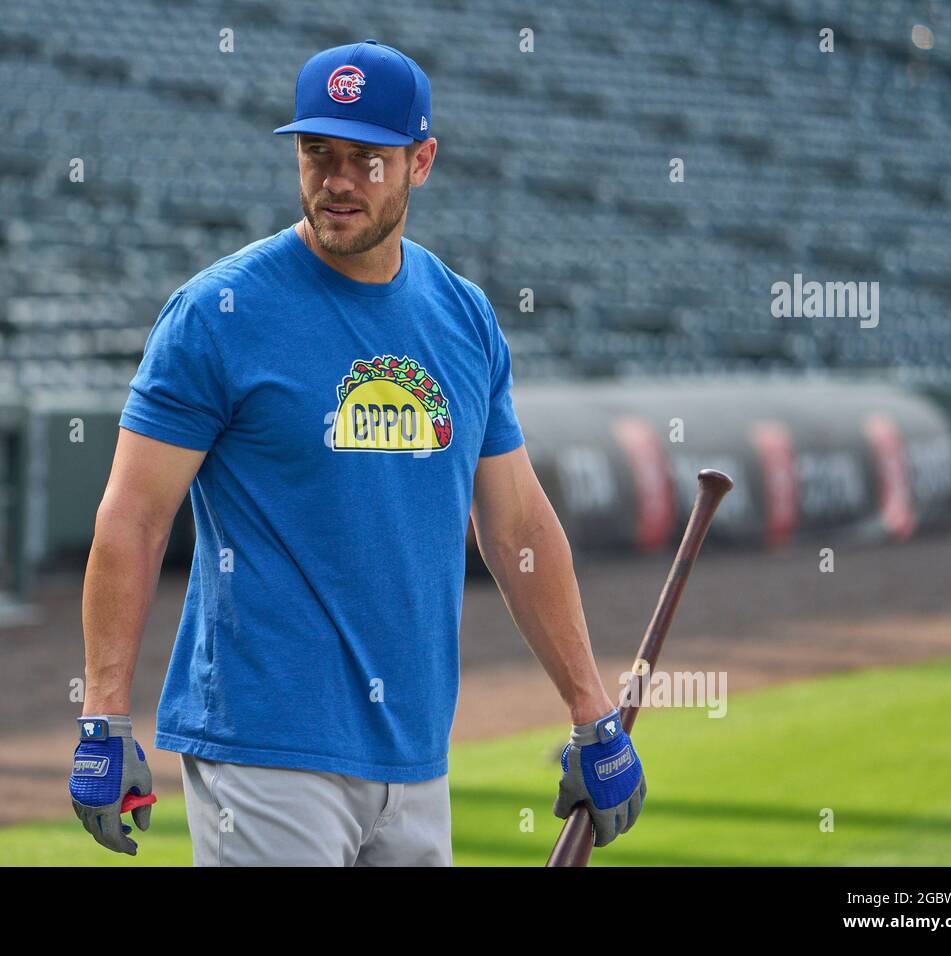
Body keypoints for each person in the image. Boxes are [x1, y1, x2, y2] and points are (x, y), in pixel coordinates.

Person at [69, 39, 645, 866]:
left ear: (422, 161)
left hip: (415, 753)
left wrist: (593, 714)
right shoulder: (218, 313)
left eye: (367, 159)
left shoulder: (464, 317)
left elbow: (515, 522)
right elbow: (132, 516)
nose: (337, 180)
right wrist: (103, 718)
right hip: (264, 748)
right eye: (317, 153)